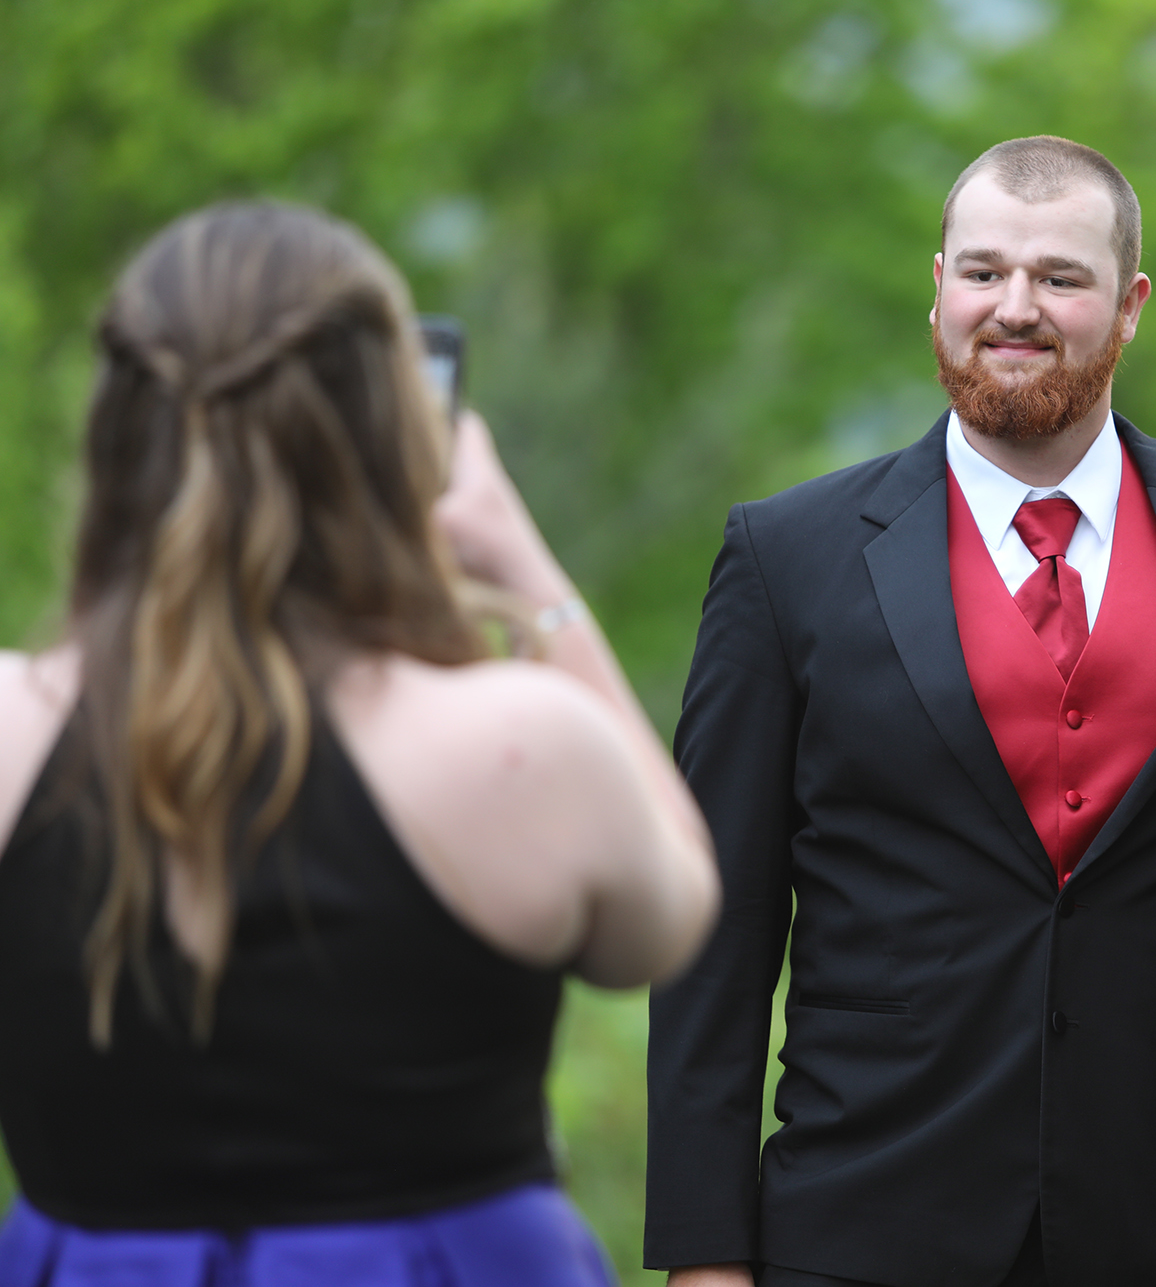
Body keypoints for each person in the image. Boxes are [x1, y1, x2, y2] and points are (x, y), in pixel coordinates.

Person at [0, 202, 720, 1286]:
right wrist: (528, 573)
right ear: (394, 439)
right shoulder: (516, 746)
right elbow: (675, 912)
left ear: (118, 434)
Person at [646, 136, 1156, 1286]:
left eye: (1061, 278)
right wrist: (703, 1258)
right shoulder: (785, 559)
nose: (1015, 309)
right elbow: (715, 936)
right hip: (864, 1219)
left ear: (1130, 305)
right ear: (934, 282)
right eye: (982, 272)